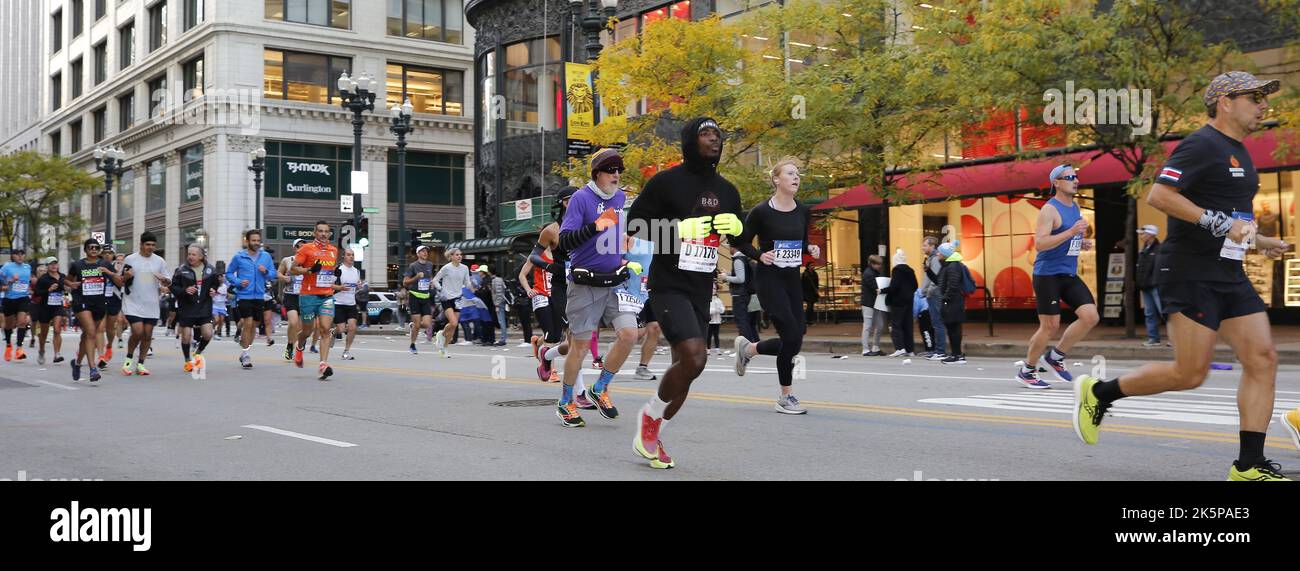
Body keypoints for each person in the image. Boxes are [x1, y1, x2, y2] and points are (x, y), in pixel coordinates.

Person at [1073, 71, 1292, 481]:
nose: (1264, 105)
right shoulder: (1200, 144)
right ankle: (1099, 393)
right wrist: (1221, 224)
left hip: (1228, 272)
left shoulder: (1240, 152)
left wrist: (1259, 240)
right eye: (1255, 97)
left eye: (1264, 98)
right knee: (1189, 374)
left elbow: (1232, 218)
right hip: (1190, 272)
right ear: (1225, 102)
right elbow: (1160, 195)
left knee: (1263, 359)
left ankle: (1248, 465)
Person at [627, 117, 745, 468]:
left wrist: (739, 227)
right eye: (706, 134)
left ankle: (654, 433)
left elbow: (738, 239)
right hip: (668, 284)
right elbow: (635, 225)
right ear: (691, 141)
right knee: (696, 357)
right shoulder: (665, 182)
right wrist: (678, 229)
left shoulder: (728, 191)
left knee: (687, 367)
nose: (714, 139)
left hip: (700, 287)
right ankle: (650, 416)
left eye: (718, 134)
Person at [553, 147, 644, 427]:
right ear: (597, 174)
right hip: (585, 284)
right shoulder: (581, 199)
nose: (616, 175)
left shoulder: (619, 197)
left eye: (619, 170)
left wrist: (623, 253)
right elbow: (564, 242)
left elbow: (616, 232)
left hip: (615, 282)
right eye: (610, 170)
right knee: (579, 347)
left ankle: (600, 387)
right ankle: (566, 402)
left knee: (629, 334)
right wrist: (595, 227)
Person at [732, 158, 822, 414]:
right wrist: (760, 255)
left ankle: (749, 349)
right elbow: (741, 242)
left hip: (792, 279)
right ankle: (785, 397)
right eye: (790, 173)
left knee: (796, 337)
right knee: (791, 336)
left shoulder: (803, 210)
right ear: (776, 180)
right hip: (769, 279)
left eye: (798, 174)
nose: (796, 177)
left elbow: (800, 242)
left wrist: (810, 248)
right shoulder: (761, 211)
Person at [1016, 164, 1098, 389]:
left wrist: (1080, 241)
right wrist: (1071, 232)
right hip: (1047, 275)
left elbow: (1065, 239)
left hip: (1068, 273)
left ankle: (1056, 356)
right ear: (1056, 183)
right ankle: (1027, 371)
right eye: (1070, 177)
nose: (1076, 180)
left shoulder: (1075, 206)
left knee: (1090, 316)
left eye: (1076, 176)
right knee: (1050, 326)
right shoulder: (1049, 210)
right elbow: (1041, 243)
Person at [65, 239, 124, 382]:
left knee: (86, 336)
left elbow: (119, 282)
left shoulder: (104, 264)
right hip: (81, 302)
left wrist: (109, 272)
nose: (93, 249)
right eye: (90, 247)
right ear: (85, 250)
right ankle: (93, 369)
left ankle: (77, 363)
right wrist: (71, 284)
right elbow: (67, 280)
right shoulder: (77, 265)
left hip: (99, 303)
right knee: (91, 332)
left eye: (96, 247)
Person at [291, 221, 343, 380]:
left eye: (326, 231)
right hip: (308, 296)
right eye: (320, 231)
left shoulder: (333, 250)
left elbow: (328, 271)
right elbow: (293, 268)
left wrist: (335, 273)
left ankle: (323, 364)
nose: (323, 234)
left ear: (330, 234)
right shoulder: (306, 249)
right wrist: (309, 270)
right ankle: (299, 346)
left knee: (325, 329)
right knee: (307, 331)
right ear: (315, 233)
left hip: (326, 295)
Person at [225, 229, 277, 369]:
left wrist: (266, 271)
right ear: (247, 241)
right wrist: (238, 282)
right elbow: (229, 273)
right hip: (244, 295)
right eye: (253, 240)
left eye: (258, 240)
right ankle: (246, 355)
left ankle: (245, 351)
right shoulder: (239, 257)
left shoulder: (265, 256)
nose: (256, 243)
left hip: (259, 296)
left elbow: (273, 274)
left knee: (254, 325)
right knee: (248, 323)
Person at [170, 244, 218, 374]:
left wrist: (214, 290)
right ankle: (187, 360)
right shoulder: (181, 270)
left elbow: (215, 283)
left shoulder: (210, 270)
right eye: (189, 254)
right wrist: (185, 291)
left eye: (194, 254)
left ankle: (198, 353)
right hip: (187, 307)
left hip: (204, 307)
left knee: (208, 334)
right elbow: (173, 287)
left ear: (201, 256)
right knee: (186, 336)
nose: (190, 256)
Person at [433, 248, 472, 357]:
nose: (459, 256)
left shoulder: (465, 268)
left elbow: (467, 282)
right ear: (451, 256)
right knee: (454, 322)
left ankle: (444, 348)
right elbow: (435, 280)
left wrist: (470, 285)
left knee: (454, 326)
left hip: (458, 298)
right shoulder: (446, 268)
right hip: (447, 298)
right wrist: (441, 290)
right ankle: (441, 335)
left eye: (460, 254)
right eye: (457, 255)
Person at [936, 241, 968, 364]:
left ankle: (956, 355)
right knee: (952, 328)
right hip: (953, 301)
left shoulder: (952, 266)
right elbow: (941, 282)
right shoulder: (948, 265)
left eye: (939, 252)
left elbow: (952, 285)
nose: (937, 254)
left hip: (953, 302)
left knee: (953, 328)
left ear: (945, 254)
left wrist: (945, 298)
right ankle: (957, 354)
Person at [883, 249, 918, 357]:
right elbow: (915, 285)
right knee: (908, 325)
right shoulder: (910, 270)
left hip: (898, 302)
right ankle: (910, 350)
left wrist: (882, 290)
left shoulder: (897, 270)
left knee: (896, 325)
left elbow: (894, 286)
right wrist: (908, 293)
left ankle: (899, 348)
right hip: (909, 301)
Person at [31, 256, 66, 365]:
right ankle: (41, 350)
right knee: (44, 333)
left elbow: (67, 288)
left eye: (55, 263)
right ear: (47, 266)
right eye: (51, 264)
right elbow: (36, 293)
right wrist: (49, 290)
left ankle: (57, 354)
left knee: (57, 330)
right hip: (45, 308)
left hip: (58, 307)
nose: (54, 266)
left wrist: (68, 289)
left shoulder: (63, 277)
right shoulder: (43, 279)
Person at [1, 248, 33, 362]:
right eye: (17, 254)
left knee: (22, 322)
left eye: (22, 254)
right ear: (13, 256)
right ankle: (8, 346)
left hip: (23, 298)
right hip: (9, 299)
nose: (20, 256)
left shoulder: (28, 267)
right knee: (8, 326)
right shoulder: (7, 267)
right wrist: (9, 282)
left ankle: (19, 348)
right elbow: (1, 282)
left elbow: (27, 281)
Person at [403, 245, 436, 354]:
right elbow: (405, 282)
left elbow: (430, 277)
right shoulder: (413, 266)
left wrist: (431, 283)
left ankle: (413, 325)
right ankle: (412, 345)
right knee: (417, 325)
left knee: (427, 324)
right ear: (418, 254)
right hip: (415, 296)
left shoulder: (430, 264)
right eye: (422, 251)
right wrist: (416, 277)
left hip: (425, 297)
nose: (425, 253)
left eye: (426, 251)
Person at [1135, 224, 1165, 346]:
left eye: (1143, 234)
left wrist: (1156, 281)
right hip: (1145, 286)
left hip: (1156, 286)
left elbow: (1160, 268)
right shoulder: (1143, 249)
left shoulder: (1159, 249)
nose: (1141, 236)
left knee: (1164, 312)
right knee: (1149, 313)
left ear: (1151, 234)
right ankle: (1153, 338)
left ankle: (1175, 339)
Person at [920, 236, 948, 360]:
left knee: (937, 322)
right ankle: (938, 350)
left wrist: (928, 291)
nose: (923, 248)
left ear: (932, 246)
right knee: (936, 322)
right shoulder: (931, 258)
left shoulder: (935, 259)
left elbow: (935, 279)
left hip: (934, 294)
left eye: (925, 245)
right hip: (932, 294)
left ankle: (940, 351)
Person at [333, 248, 364, 360]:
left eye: (352, 255)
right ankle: (334, 332)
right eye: (349, 255)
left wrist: (359, 286)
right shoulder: (338, 269)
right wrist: (340, 288)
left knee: (352, 327)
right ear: (343, 256)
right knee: (341, 329)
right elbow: (329, 285)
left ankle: (346, 351)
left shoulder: (356, 271)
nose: (351, 257)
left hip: (351, 303)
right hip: (338, 302)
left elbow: (356, 285)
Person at [278, 239, 307, 361]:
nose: (301, 248)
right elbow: (278, 273)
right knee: (293, 322)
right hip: (290, 295)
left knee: (300, 326)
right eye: (299, 246)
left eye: (304, 246)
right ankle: (290, 344)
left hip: (304, 296)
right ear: (294, 248)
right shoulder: (287, 260)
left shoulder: (309, 261)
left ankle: (296, 344)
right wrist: (284, 278)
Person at [98, 248, 125, 368]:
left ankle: (109, 346)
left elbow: (121, 283)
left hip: (114, 299)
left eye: (109, 253)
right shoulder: (96, 265)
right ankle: (101, 357)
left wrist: (109, 272)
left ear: (113, 255)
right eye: (104, 253)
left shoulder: (119, 267)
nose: (107, 255)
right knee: (100, 328)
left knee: (110, 328)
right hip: (100, 300)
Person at [723, 247, 758, 342]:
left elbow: (740, 279)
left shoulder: (738, 260)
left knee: (741, 321)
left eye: (729, 245)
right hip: (746, 294)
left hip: (739, 294)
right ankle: (750, 343)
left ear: (733, 247)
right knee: (746, 321)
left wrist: (726, 277)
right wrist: (729, 274)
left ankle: (746, 344)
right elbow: (743, 275)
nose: (728, 248)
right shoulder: (746, 258)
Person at [860, 254, 886, 356]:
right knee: (867, 326)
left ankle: (875, 347)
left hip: (875, 303)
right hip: (868, 303)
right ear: (872, 264)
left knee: (880, 325)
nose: (880, 266)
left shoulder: (874, 272)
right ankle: (865, 349)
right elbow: (875, 287)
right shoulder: (869, 274)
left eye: (880, 264)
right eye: (878, 264)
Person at [212, 274, 228, 340]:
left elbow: (227, 295)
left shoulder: (225, 286)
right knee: (216, 320)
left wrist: (228, 296)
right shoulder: (214, 286)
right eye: (219, 277)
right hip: (214, 306)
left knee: (221, 322)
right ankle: (210, 329)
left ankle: (216, 334)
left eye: (222, 277)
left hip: (222, 306)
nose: (221, 279)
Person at [708, 289, 723, 355]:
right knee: (708, 335)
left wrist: (719, 309)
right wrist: (713, 310)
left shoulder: (718, 300)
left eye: (714, 289)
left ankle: (717, 349)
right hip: (709, 321)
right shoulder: (708, 299)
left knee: (716, 335)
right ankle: (708, 349)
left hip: (717, 321)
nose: (713, 291)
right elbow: (707, 309)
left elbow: (722, 309)